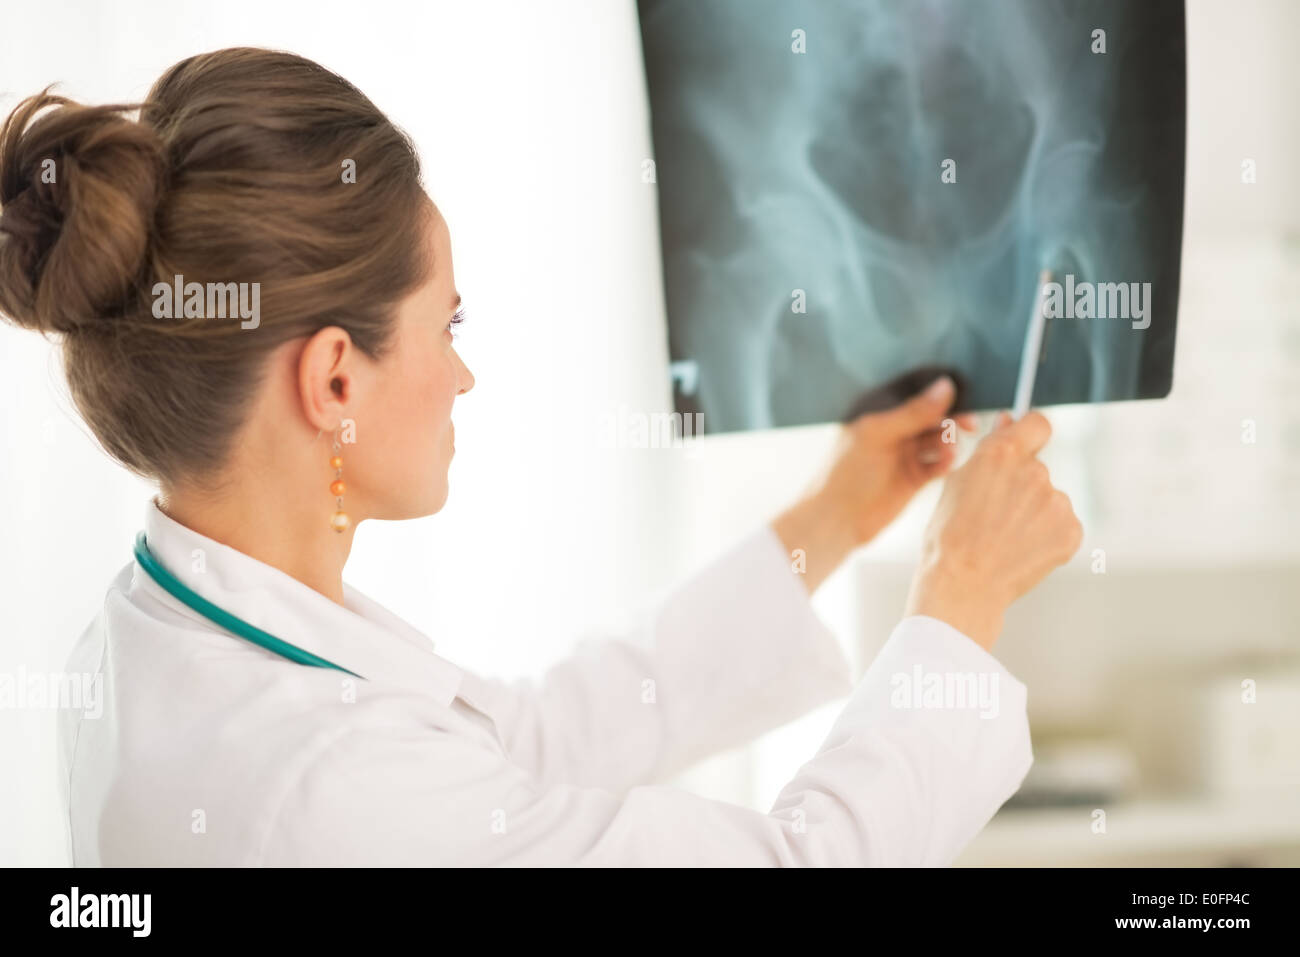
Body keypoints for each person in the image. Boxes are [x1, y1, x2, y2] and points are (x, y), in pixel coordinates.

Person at [0, 48, 1082, 866]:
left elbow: (544, 737)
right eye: (448, 329)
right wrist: (963, 596)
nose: (463, 378)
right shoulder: (321, 780)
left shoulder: (161, 632)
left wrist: (842, 510)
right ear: (335, 380)